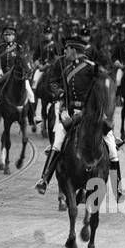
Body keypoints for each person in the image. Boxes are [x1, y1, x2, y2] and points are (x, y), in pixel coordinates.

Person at [36, 37, 118, 194]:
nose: (65, 52)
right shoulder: (66, 70)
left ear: (74, 50)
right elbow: (65, 93)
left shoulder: (91, 69)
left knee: (112, 148)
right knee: (58, 140)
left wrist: (102, 112)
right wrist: (64, 108)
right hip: (71, 113)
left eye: (67, 49)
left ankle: (117, 186)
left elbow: (106, 87)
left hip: (91, 115)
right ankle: (44, 178)